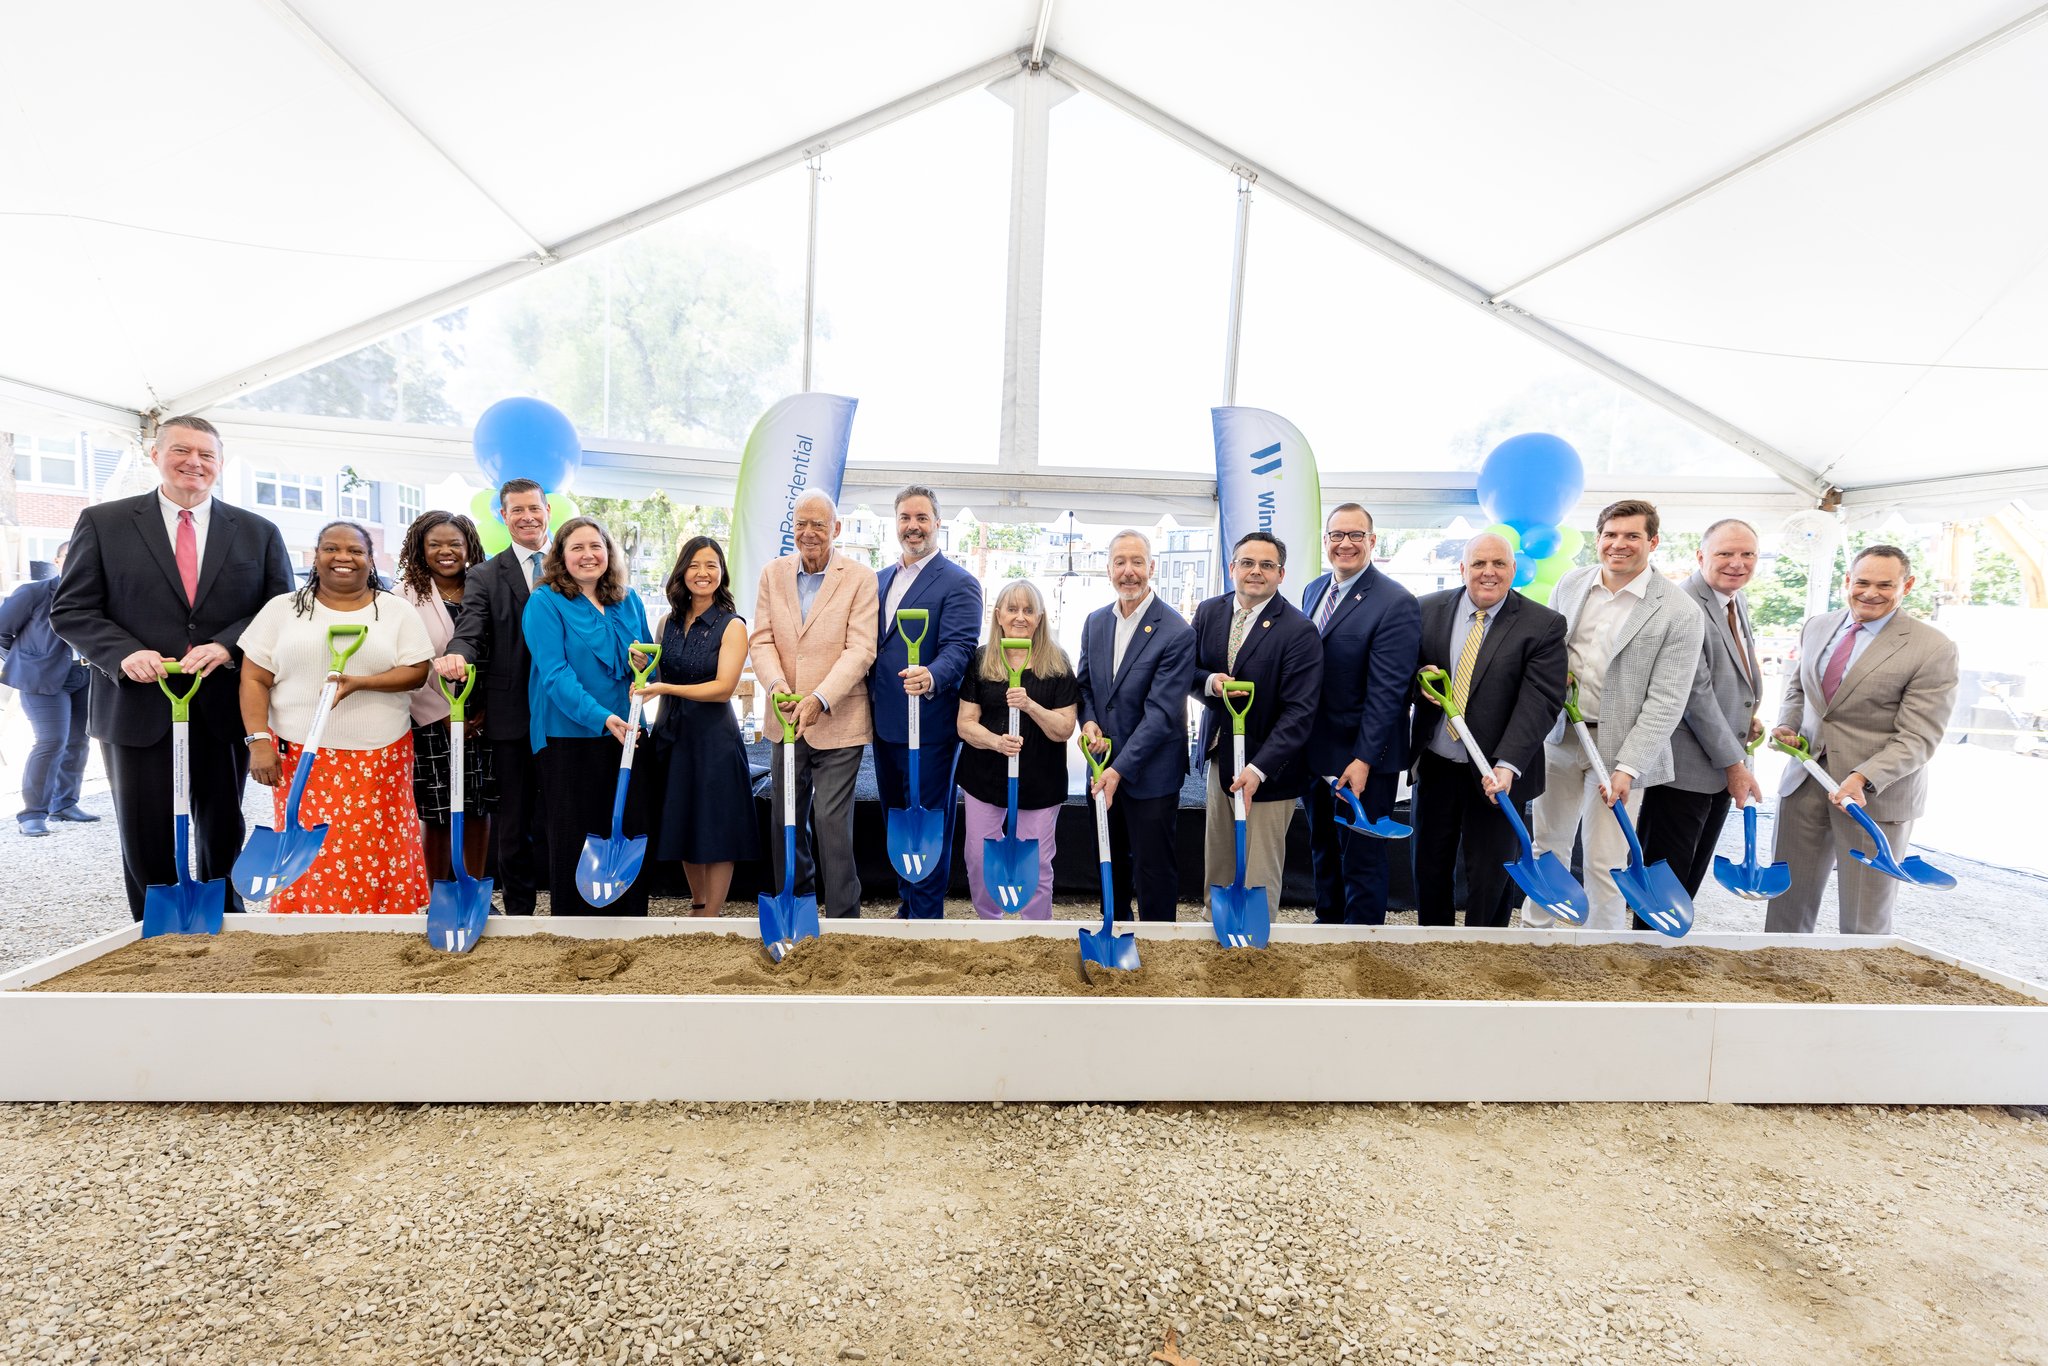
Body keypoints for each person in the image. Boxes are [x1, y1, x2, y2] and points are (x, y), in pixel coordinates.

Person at [51, 415, 293, 920]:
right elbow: (72, 609)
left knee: (223, 822)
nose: (194, 463)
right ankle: (154, 923)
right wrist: (123, 653)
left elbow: (278, 612)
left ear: (221, 465)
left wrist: (228, 646)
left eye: (206, 455)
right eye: (182, 451)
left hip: (221, 704)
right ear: (155, 455)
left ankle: (224, 917)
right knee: (144, 825)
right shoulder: (104, 522)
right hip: (136, 706)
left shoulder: (257, 531)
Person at [1522, 499, 1703, 931]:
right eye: (1610, 535)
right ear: (1598, 538)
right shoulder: (1571, 583)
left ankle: (1604, 951)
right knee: (1545, 845)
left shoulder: (1679, 611)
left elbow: (1667, 700)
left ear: (1652, 542)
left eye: (1632, 536)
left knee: (1605, 859)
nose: (1618, 545)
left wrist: (1629, 767)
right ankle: (1535, 936)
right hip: (1562, 736)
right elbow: (1549, 650)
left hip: (1620, 750)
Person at [238, 522, 433, 914]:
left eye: (355, 551)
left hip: (381, 756)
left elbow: (417, 671)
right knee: (311, 848)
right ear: (315, 555)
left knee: (376, 844)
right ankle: (308, 924)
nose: (343, 557)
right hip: (302, 757)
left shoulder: (394, 611)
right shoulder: (283, 609)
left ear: (370, 559)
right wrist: (258, 741)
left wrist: (361, 682)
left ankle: (382, 926)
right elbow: (254, 678)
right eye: (331, 548)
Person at [1767, 545, 1958, 935]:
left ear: (1907, 585)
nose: (1871, 592)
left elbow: (1919, 736)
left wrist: (1863, 777)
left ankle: (1858, 993)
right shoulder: (1817, 626)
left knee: (1863, 917)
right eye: (1863, 582)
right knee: (1787, 904)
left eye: (1885, 584)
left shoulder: (1933, 648)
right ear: (1847, 581)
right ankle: (1780, 986)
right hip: (1805, 783)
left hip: (1874, 796)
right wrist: (1788, 725)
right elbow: (1798, 690)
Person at [1409, 533, 1568, 926]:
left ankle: (1486, 949)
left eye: (1499, 564)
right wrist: (1418, 681)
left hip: (1498, 773)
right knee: (1429, 864)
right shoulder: (1425, 610)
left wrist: (1508, 764)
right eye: (1479, 564)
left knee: (1490, 873)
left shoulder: (1542, 624)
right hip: (1437, 764)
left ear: (1514, 570)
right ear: (1462, 569)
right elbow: (1398, 677)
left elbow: (1540, 702)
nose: (1488, 572)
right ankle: (1434, 942)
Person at [747, 493, 878, 918]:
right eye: (802, 524)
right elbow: (761, 638)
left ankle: (844, 916)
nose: (809, 533)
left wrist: (820, 698)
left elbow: (860, 648)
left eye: (819, 525)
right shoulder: (773, 573)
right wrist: (778, 686)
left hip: (839, 718)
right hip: (784, 715)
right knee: (785, 819)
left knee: (830, 821)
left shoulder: (860, 578)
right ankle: (797, 904)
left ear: (836, 530)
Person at [522, 516, 655, 916]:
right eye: (576, 548)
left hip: (628, 733)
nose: (588, 555)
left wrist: (641, 669)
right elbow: (555, 674)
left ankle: (629, 925)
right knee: (574, 838)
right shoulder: (544, 602)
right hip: (569, 738)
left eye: (595, 546)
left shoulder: (628, 599)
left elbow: (649, 661)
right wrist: (601, 717)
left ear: (608, 552)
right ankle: (574, 931)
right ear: (561, 556)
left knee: (628, 832)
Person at [1298, 503, 1421, 924]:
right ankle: (1327, 925)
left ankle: (1361, 944)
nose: (1344, 544)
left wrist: (1364, 759)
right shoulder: (1314, 590)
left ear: (1372, 541)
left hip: (1363, 756)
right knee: (1323, 848)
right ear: (1326, 541)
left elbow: (1388, 693)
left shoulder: (1395, 602)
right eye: (1336, 535)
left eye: (1355, 535)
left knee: (1362, 857)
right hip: (1316, 751)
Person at [435, 478, 552, 914]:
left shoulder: (575, 562)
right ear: (504, 517)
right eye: (516, 510)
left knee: (565, 816)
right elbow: (469, 631)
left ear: (547, 512)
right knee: (514, 821)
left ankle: (572, 909)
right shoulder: (484, 575)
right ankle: (521, 911)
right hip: (512, 715)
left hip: (569, 712)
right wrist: (455, 657)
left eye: (533, 509)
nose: (526, 517)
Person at [1190, 531, 1324, 908]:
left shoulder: (1299, 631)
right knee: (1218, 859)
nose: (1255, 572)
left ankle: (1255, 952)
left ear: (1281, 574)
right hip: (1221, 757)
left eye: (1267, 565)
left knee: (1258, 869)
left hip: (1270, 768)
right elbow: (1187, 671)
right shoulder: (1210, 612)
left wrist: (1259, 769)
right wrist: (1212, 683)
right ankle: (1214, 933)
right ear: (1232, 568)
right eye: (1247, 563)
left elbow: (1300, 712)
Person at [1636, 518, 1766, 903]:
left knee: (1689, 876)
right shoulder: (1683, 605)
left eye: (1747, 554)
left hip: (1721, 761)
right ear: (1700, 556)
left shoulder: (1733, 598)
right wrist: (1735, 764)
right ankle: (1649, 950)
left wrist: (1746, 719)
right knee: (1664, 877)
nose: (1737, 563)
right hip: (1684, 767)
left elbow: (1731, 675)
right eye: (1725, 553)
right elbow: (1695, 694)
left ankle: (1670, 951)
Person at [869, 485, 982, 919]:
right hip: (885, 724)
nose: (912, 526)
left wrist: (932, 674)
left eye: (921, 518)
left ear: (938, 524)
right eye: (904, 518)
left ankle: (927, 916)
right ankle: (907, 905)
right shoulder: (878, 580)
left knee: (929, 824)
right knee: (898, 821)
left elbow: (960, 646)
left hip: (930, 726)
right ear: (895, 523)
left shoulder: (958, 583)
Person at [1076, 529, 1197, 921]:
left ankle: (1160, 947)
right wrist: (1089, 720)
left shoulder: (1176, 632)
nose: (1129, 572)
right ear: (1108, 568)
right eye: (1120, 562)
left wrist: (1119, 770)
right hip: (1101, 764)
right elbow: (1085, 685)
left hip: (1150, 774)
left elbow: (1161, 714)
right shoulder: (1095, 622)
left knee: (1153, 869)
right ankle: (1115, 930)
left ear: (1152, 568)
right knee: (1108, 860)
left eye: (1137, 562)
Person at [642, 536, 759, 916]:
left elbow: (723, 688)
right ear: (682, 572)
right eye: (694, 565)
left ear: (722, 573)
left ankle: (713, 913)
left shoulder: (732, 626)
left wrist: (663, 687)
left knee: (716, 825)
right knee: (682, 820)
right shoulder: (667, 622)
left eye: (711, 565)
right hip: (672, 735)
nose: (702, 573)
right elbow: (651, 668)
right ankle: (698, 903)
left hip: (713, 739)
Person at [956, 582, 1078, 919]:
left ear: (1040, 617)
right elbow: (965, 724)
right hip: (985, 775)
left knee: (1035, 862)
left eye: (1028, 610)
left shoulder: (1057, 662)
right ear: (998, 616)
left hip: (1041, 778)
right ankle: (990, 925)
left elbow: (1065, 728)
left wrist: (1029, 705)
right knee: (979, 858)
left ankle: (1036, 933)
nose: (1020, 617)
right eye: (1012, 609)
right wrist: (996, 742)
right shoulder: (982, 659)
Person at [396, 511, 495, 883]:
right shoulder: (404, 595)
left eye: (455, 543)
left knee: (477, 805)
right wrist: (439, 713)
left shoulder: (483, 585)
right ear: (420, 549)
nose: (446, 551)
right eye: (434, 544)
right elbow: (406, 660)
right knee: (437, 808)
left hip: (483, 718)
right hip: (431, 719)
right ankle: (439, 890)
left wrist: (486, 710)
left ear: (469, 546)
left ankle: (473, 887)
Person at [0, 547, 94, 836]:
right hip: (42, 681)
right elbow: (2, 632)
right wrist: (27, 662)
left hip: (83, 675)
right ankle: (32, 813)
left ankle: (64, 803)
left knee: (79, 741)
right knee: (51, 741)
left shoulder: (94, 596)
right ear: (57, 561)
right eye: (70, 556)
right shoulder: (34, 593)